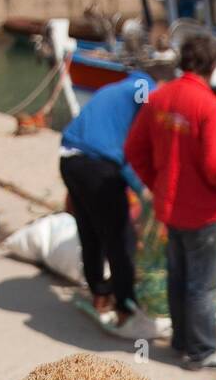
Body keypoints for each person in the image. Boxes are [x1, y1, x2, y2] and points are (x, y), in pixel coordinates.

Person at [125, 32, 216, 372]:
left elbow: (134, 149)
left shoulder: (160, 99)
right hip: (203, 211)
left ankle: (181, 342)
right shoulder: (208, 107)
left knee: (178, 276)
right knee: (202, 283)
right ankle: (203, 351)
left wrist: (157, 183)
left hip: (170, 208)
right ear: (214, 65)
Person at [60, 74, 151, 335]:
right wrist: (143, 189)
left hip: (69, 160)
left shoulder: (114, 90)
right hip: (97, 167)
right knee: (122, 240)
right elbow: (129, 154)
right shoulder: (148, 95)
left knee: (90, 232)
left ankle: (99, 294)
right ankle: (125, 308)